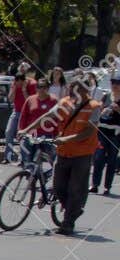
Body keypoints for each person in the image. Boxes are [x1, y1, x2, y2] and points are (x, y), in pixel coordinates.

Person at [47, 77, 100, 234]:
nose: (71, 91)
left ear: (85, 90)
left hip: (82, 154)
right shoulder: (65, 103)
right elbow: (47, 117)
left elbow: (89, 131)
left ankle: (68, 222)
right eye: (71, 88)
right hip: (64, 152)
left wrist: (66, 139)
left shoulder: (94, 106)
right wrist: (27, 129)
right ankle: (74, 209)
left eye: (75, 88)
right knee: (58, 187)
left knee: (75, 188)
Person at [92, 76, 120, 196]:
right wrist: (101, 107)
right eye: (113, 82)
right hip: (102, 131)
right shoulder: (107, 95)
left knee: (112, 160)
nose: (115, 85)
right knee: (98, 158)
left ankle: (107, 187)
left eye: (117, 83)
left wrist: (118, 109)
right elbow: (99, 106)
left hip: (116, 133)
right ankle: (94, 185)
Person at [4, 63, 32, 162]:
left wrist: (24, 89)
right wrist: (15, 88)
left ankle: (23, 158)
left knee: (22, 136)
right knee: (8, 132)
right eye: (17, 80)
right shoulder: (14, 85)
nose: (19, 82)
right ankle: (8, 157)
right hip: (16, 111)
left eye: (21, 80)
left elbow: (29, 101)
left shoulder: (30, 84)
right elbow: (10, 99)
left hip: (25, 113)